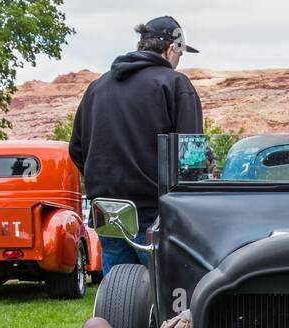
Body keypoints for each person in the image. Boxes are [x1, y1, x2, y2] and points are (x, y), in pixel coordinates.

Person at [69, 15, 204, 272]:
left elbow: (76, 149)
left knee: (119, 298)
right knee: (164, 298)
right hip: (157, 215)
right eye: (181, 53)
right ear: (171, 48)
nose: (179, 61)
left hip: (108, 212)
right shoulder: (175, 84)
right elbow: (190, 160)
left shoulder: (97, 88)